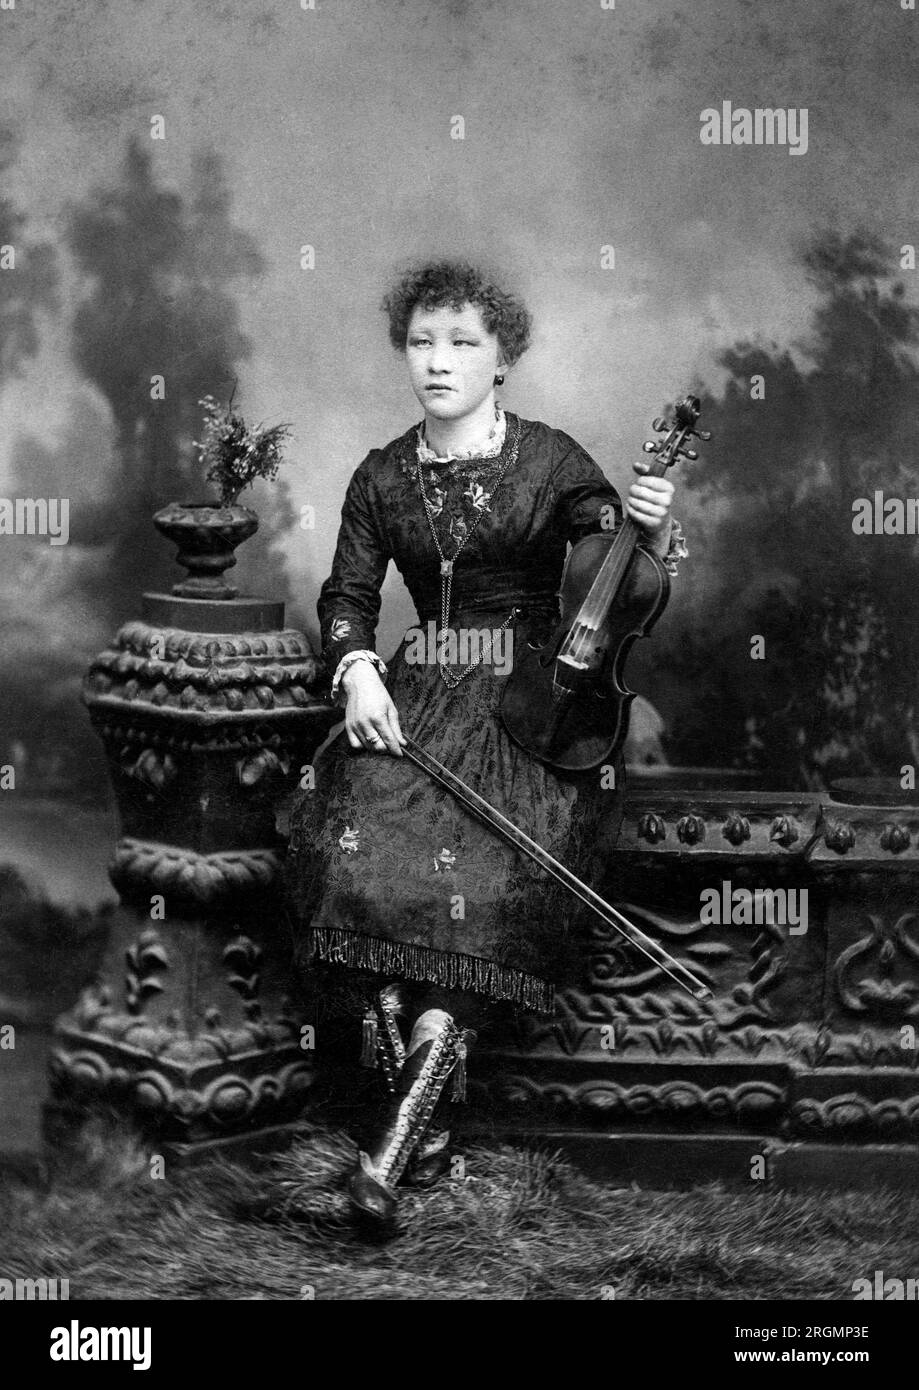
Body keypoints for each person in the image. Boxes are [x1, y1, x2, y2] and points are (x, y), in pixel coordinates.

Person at [285, 259, 687, 1224]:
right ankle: (416, 1132)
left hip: (535, 704)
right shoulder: (380, 473)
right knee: (343, 851)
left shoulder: (551, 459)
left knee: (485, 880)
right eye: (422, 340)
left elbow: (613, 555)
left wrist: (647, 523)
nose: (439, 360)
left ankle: (391, 1149)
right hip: (413, 686)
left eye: (463, 341)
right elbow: (345, 599)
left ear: (502, 358)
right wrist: (357, 670)